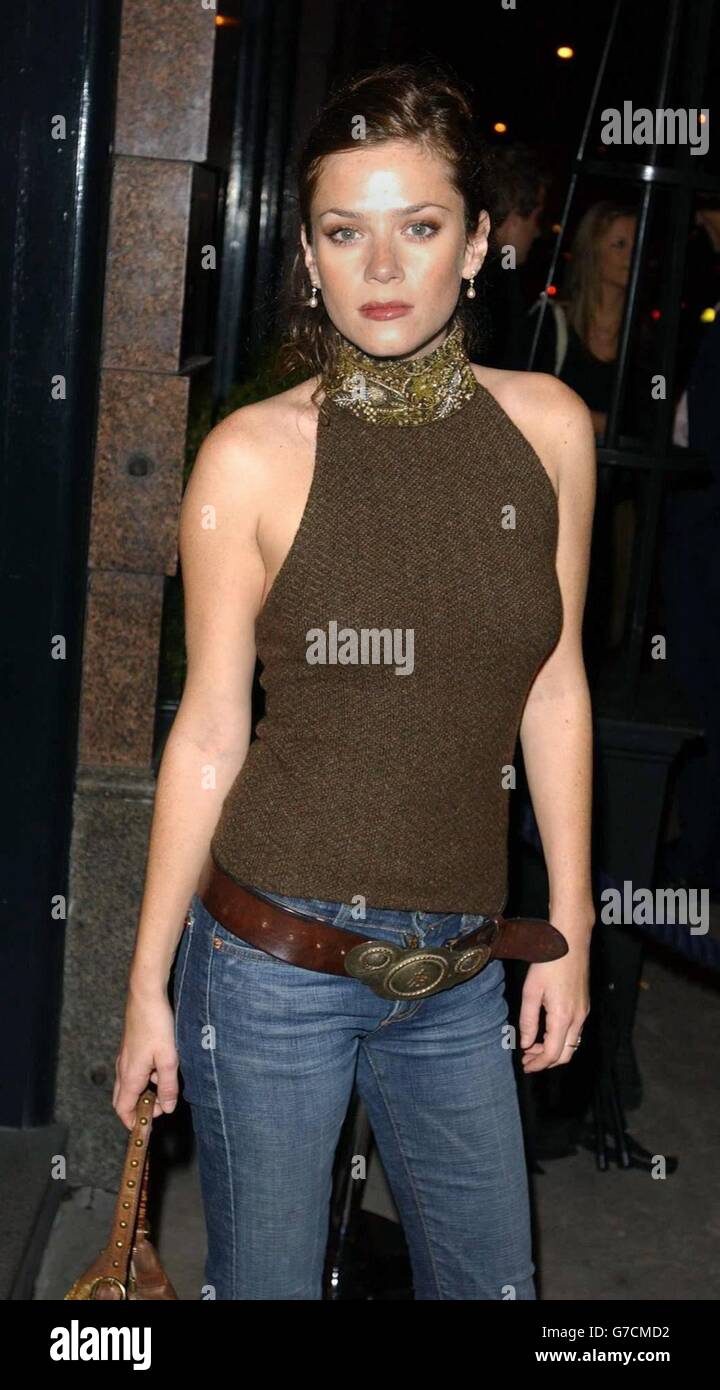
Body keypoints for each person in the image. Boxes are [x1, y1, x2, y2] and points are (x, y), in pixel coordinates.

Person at [113, 60, 596, 1301]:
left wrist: (574, 923)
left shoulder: (550, 430)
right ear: (311, 257)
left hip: (463, 969)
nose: (383, 271)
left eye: (420, 228)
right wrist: (146, 985)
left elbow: (554, 688)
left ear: (480, 243)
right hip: (272, 966)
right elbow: (211, 730)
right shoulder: (252, 456)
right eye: (347, 232)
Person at [481, 141, 552, 370]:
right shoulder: (495, 284)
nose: (537, 231)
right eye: (535, 217)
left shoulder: (500, 270)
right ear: (513, 218)